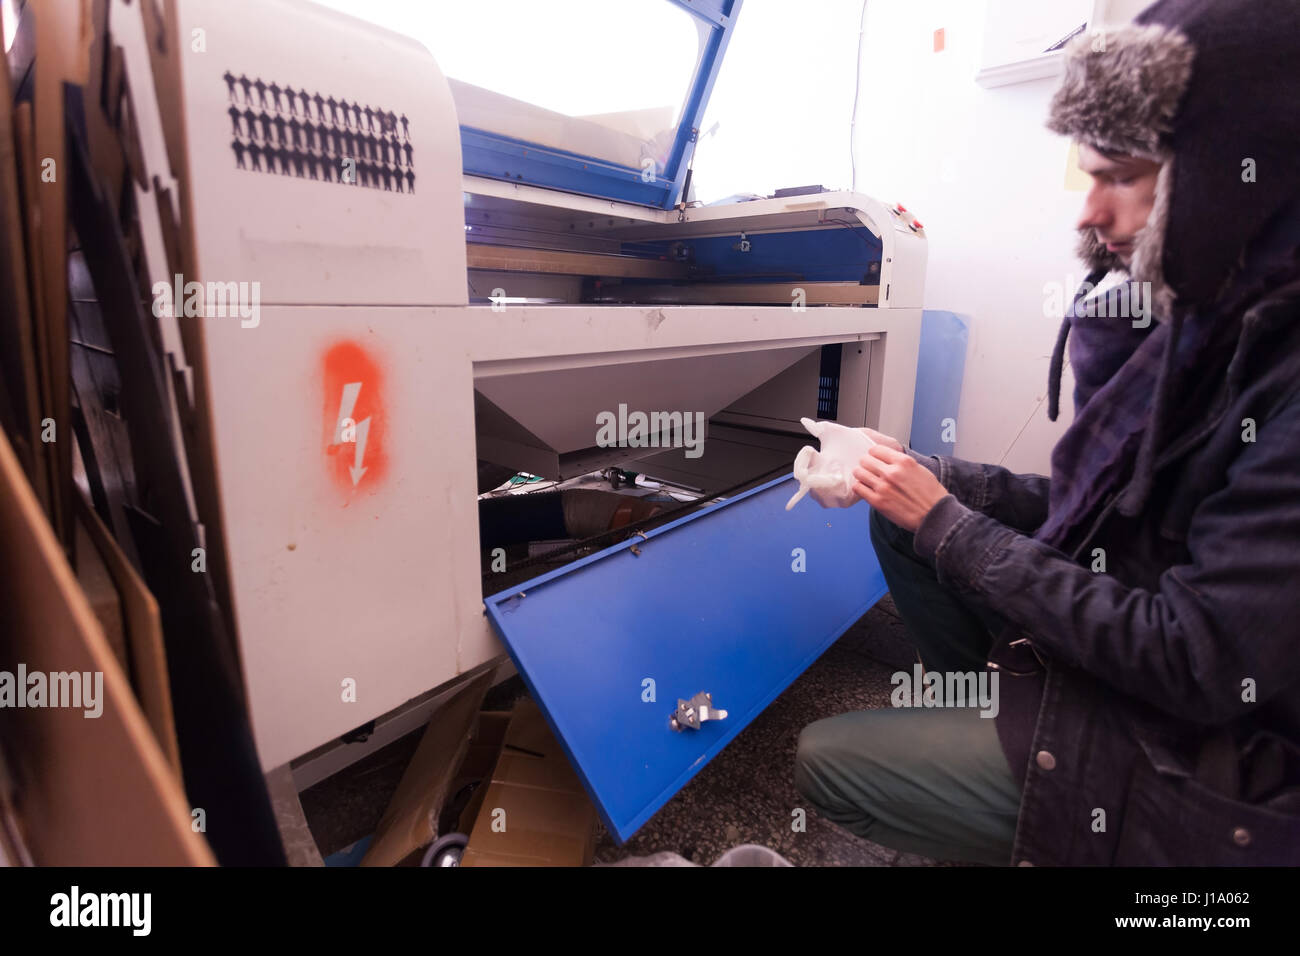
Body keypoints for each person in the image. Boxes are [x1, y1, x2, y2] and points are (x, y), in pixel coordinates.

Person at [794, 0, 1300, 865]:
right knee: (902, 517)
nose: (1087, 212)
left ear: (1233, 172)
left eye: (1122, 176)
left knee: (828, 763)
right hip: (1153, 664)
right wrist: (933, 480)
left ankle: (1046, 809)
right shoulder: (1217, 321)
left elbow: (1193, 658)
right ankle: (997, 716)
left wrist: (951, 522)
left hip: (1223, 761)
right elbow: (1115, 520)